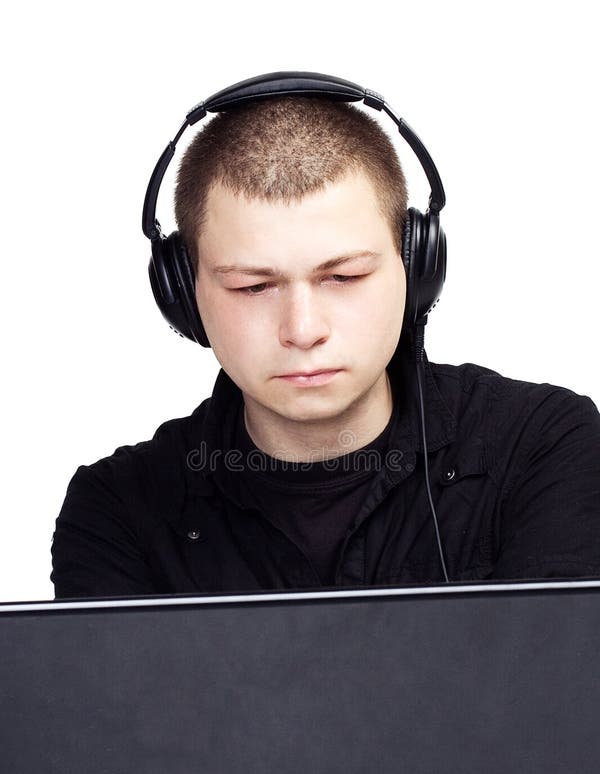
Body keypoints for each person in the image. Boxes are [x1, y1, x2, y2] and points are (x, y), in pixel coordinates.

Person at [50, 73, 600, 599]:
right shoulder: (116, 511)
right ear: (182, 296)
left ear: (417, 268)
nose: (303, 330)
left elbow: (560, 690)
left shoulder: (546, 446)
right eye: (253, 286)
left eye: (343, 277)